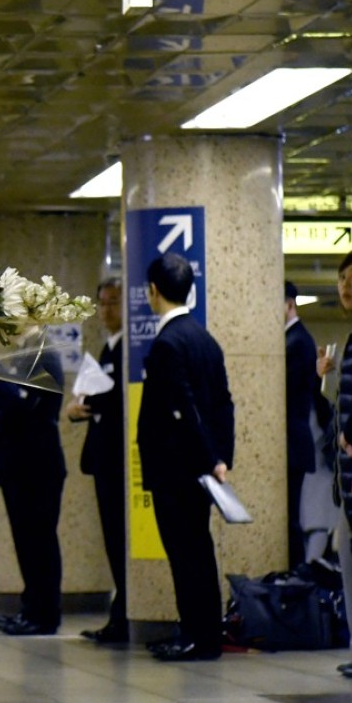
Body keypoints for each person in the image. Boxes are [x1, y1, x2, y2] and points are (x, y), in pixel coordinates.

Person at [138, 253, 234, 662]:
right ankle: (203, 632)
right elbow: (224, 404)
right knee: (198, 548)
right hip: (200, 469)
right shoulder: (205, 340)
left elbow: (184, 408)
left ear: (153, 291)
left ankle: (196, 635)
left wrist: (208, 456)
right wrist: (220, 458)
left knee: (184, 553)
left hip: (175, 468)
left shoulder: (168, 344)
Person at [0, 342, 66, 637]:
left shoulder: (44, 355)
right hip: (17, 464)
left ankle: (44, 613)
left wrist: (0, 417)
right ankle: (31, 607)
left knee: (40, 541)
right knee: (25, 541)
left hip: (38, 463)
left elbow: (25, 406)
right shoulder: (19, 355)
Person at [67, 278, 129, 643]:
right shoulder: (108, 348)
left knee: (120, 539)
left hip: (119, 460)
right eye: (102, 303)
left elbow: (116, 398)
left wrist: (88, 403)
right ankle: (119, 614)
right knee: (112, 539)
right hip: (104, 459)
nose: (106, 310)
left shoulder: (128, 351)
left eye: (114, 302)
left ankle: (124, 615)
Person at [317, 251, 352, 678]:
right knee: (347, 556)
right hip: (346, 476)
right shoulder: (350, 341)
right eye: (341, 278)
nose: (345, 286)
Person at [285, 281, 321, 569]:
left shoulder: (297, 341)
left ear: (289, 305)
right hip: (292, 441)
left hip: (291, 441)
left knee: (290, 518)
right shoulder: (293, 339)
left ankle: (296, 574)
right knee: (289, 516)